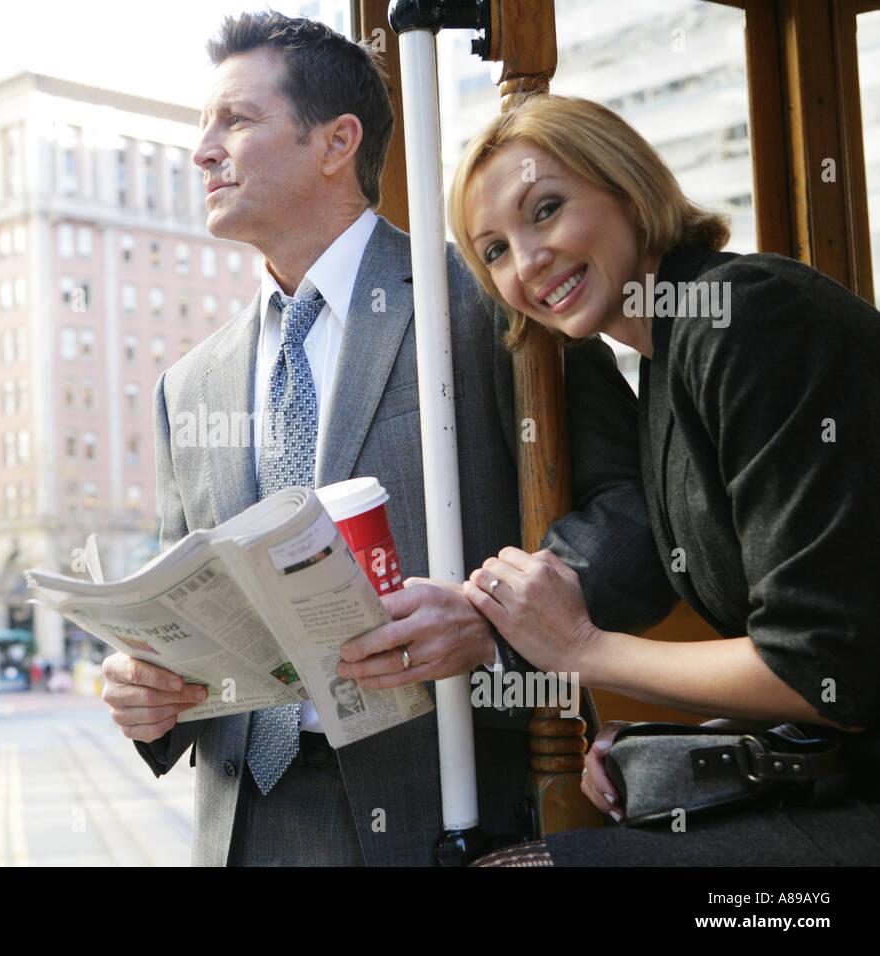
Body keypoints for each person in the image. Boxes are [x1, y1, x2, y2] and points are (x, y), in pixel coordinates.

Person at [101, 12, 673, 867]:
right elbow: (185, 599)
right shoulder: (189, 386)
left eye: (236, 120)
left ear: (337, 142)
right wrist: (144, 687)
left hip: (442, 804)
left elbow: (632, 507)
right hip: (244, 828)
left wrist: (493, 627)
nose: (202, 151)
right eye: (202, 127)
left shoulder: (488, 295)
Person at [448, 93, 880, 865]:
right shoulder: (668, 361)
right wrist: (676, 741)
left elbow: (823, 673)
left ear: (627, 186)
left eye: (545, 209)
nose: (528, 261)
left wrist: (580, 647)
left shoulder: (744, 319)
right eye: (495, 251)